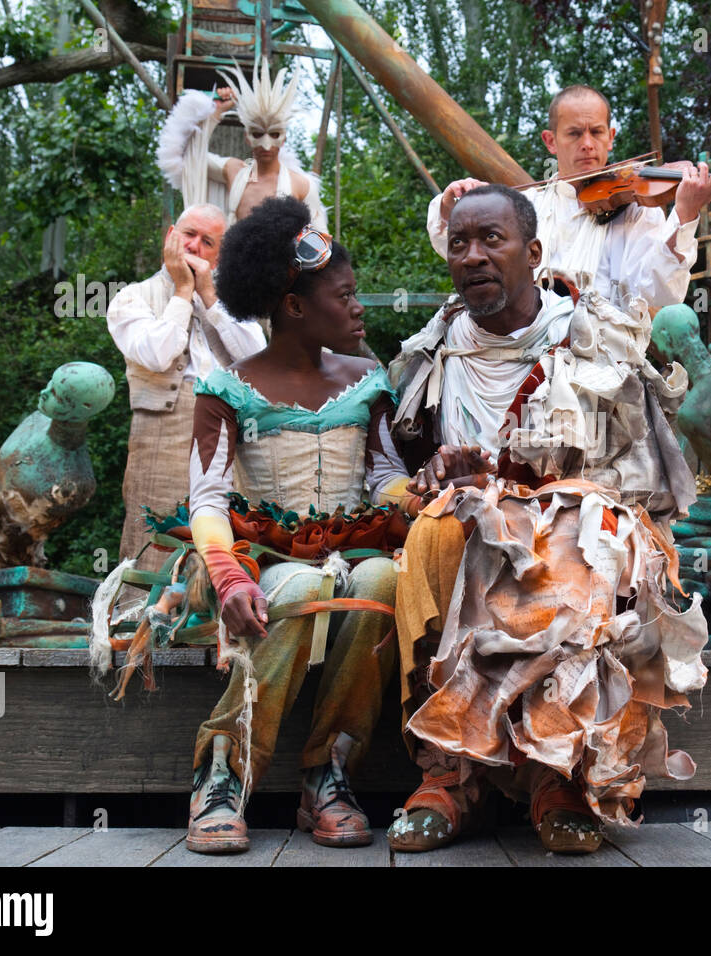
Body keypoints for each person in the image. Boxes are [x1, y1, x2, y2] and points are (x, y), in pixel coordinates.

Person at [387, 184, 708, 855]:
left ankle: (553, 775)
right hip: (468, 526)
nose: (472, 255)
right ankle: (449, 775)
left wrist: (520, 488)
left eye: (491, 240)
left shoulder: (595, 342)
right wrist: (444, 481)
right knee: (438, 529)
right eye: (459, 244)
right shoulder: (430, 355)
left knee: (575, 535)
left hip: (578, 527)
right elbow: (407, 475)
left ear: (533, 252)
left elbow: (636, 483)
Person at [181, 196, 413, 854]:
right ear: (294, 307)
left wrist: (418, 496)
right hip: (261, 563)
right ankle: (222, 774)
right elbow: (208, 498)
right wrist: (226, 577)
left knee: (382, 577)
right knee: (301, 591)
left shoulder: (369, 379)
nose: (359, 307)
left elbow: (381, 478)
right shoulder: (225, 388)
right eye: (344, 295)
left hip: (348, 551)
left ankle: (329, 771)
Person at [425, 84, 711, 319]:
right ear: (550, 141)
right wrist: (452, 207)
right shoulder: (522, 206)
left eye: (596, 132)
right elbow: (461, 249)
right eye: (575, 133)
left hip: (603, 359)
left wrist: (684, 214)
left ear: (611, 137)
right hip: (522, 350)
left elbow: (660, 293)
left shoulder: (638, 209)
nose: (588, 144)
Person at [107, 204, 266, 573]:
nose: (194, 246)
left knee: (227, 536)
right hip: (162, 436)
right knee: (153, 537)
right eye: (188, 234)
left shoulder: (231, 302)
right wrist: (182, 291)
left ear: (220, 255)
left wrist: (209, 295)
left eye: (207, 242)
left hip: (230, 434)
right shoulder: (132, 297)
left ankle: (218, 626)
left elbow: (257, 360)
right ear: (169, 237)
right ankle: (137, 625)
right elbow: (157, 355)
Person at [157, 59, 327, 230]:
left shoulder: (301, 185)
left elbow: (321, 242)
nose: (266, 145)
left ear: (284, 138)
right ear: (247, 136)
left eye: (274, 134)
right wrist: (216, 112)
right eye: (257, 134)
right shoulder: (233, 171)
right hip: (233, 254)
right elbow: (189, 158)